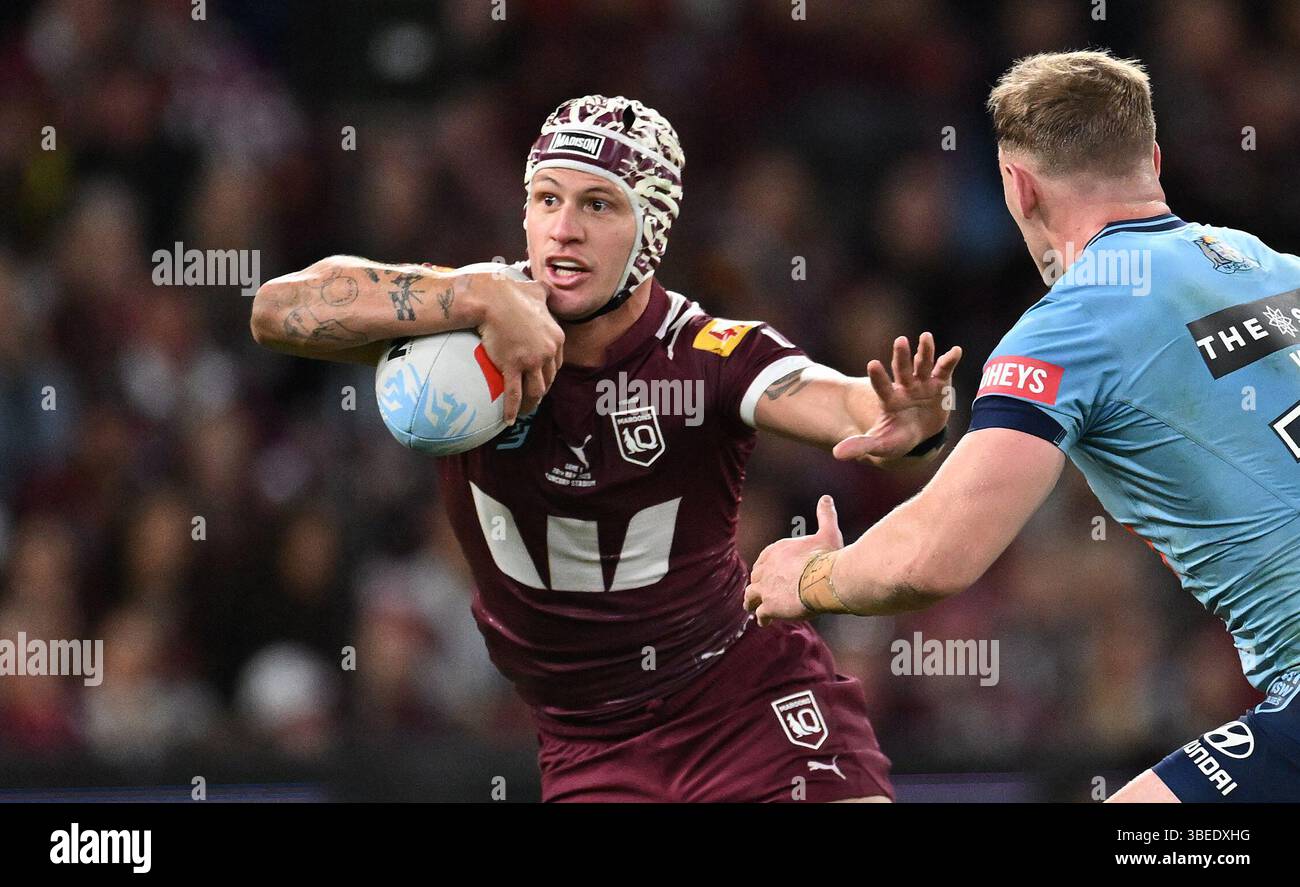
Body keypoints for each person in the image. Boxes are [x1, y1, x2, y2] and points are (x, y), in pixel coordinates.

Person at [250, 94, 961, 802]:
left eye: (598, 205)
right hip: (586, 744)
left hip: (745, 702)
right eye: (547, 198)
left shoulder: (705, 355)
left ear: (649, 228)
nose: (564, 229)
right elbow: (275, 309)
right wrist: (470, 294)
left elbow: (847, 405)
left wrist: (912, 418)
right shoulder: (456, 331)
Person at [744, 50, 1300, 803]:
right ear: (1154, 160)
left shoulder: (1074, 321)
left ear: (1019, 186)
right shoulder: (1274, 266)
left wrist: (806, 579)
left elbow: (936, 558)